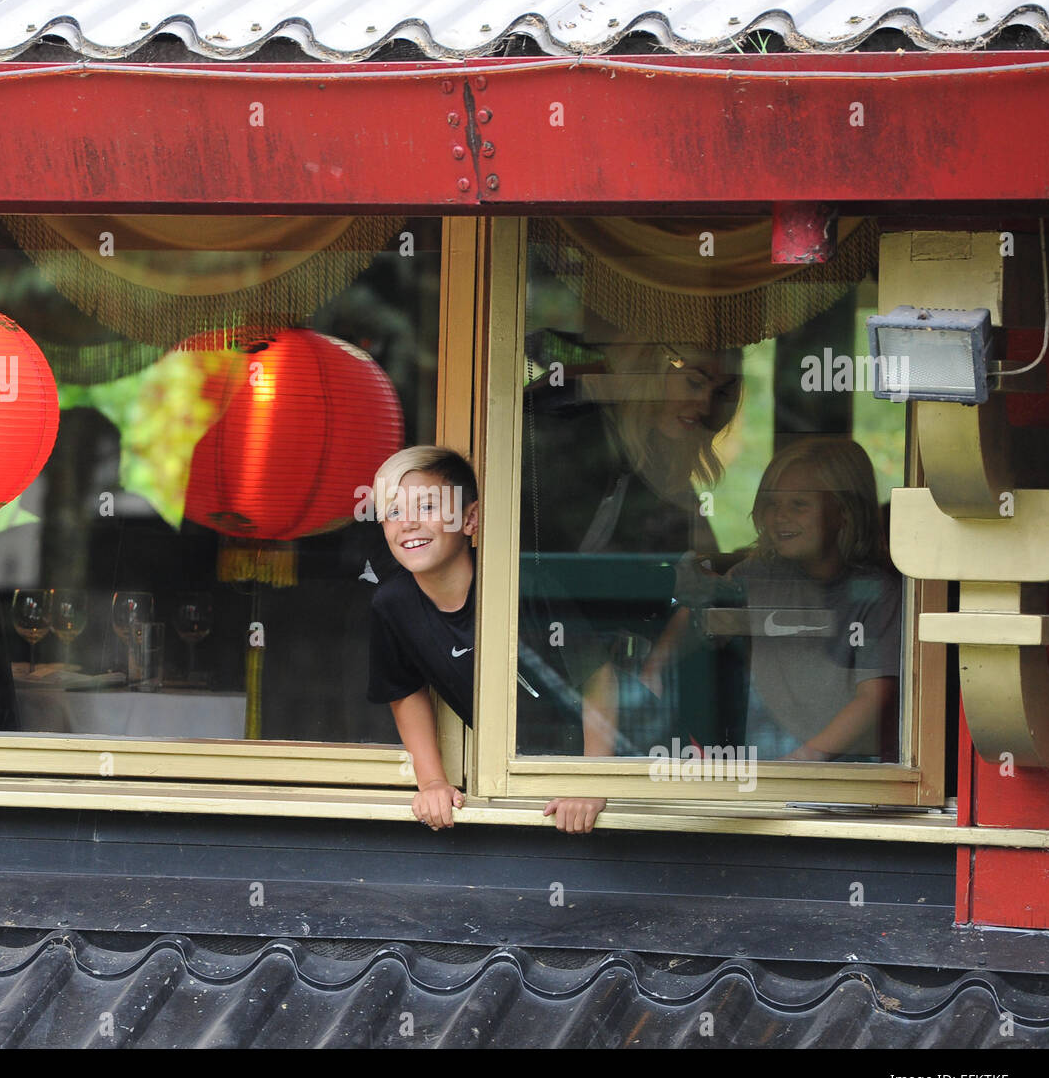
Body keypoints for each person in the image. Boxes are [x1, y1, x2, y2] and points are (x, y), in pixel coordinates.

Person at [366, 445, 611, 833]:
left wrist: (592, 778)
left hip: (606, 762)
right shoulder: (393, 605)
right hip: (516, 778)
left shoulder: (520, 584)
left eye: (426, 507)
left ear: (470, 519)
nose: (407, 524)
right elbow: (405, 691)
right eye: (393, 512)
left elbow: (598, 676)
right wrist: (432, 782)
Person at [521, 339, 744, 754]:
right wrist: (671, 583)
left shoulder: (653, 456)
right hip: (530, 656)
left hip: (596, 666)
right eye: (695, 382)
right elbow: (544, 569)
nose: (705, 405)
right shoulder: (572, 431)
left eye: (721, 393)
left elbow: (698, 563)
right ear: (649, 375)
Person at [664, 438, 900, 761]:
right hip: (767, 760)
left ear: (844, 513)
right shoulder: (754, 577)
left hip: (854, 770)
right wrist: (697, 600)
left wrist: (803, 760)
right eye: (772, 504)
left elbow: (874, 698)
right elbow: (695, 636)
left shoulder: (875, 593)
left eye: (798, 505)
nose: (780, 516)